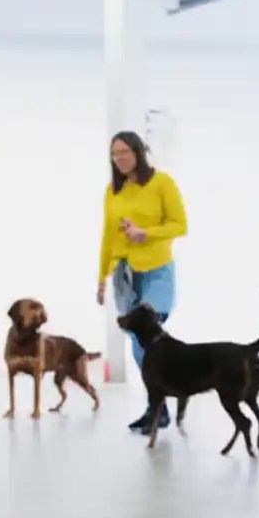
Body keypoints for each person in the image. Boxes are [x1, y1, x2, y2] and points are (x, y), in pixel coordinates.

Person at [96, 131, 187, 434]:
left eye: (124, 152)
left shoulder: (162, 183)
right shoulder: (113, 191)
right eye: (114, 154)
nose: (119, 158)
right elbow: (108, 237)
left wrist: (145, 233)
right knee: (138, 345)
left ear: (138, 152)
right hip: (125, 275)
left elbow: (180, 224)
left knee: (150, 339)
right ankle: (157, 407)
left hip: (157, 271)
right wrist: (101, 277)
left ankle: (162, 403)